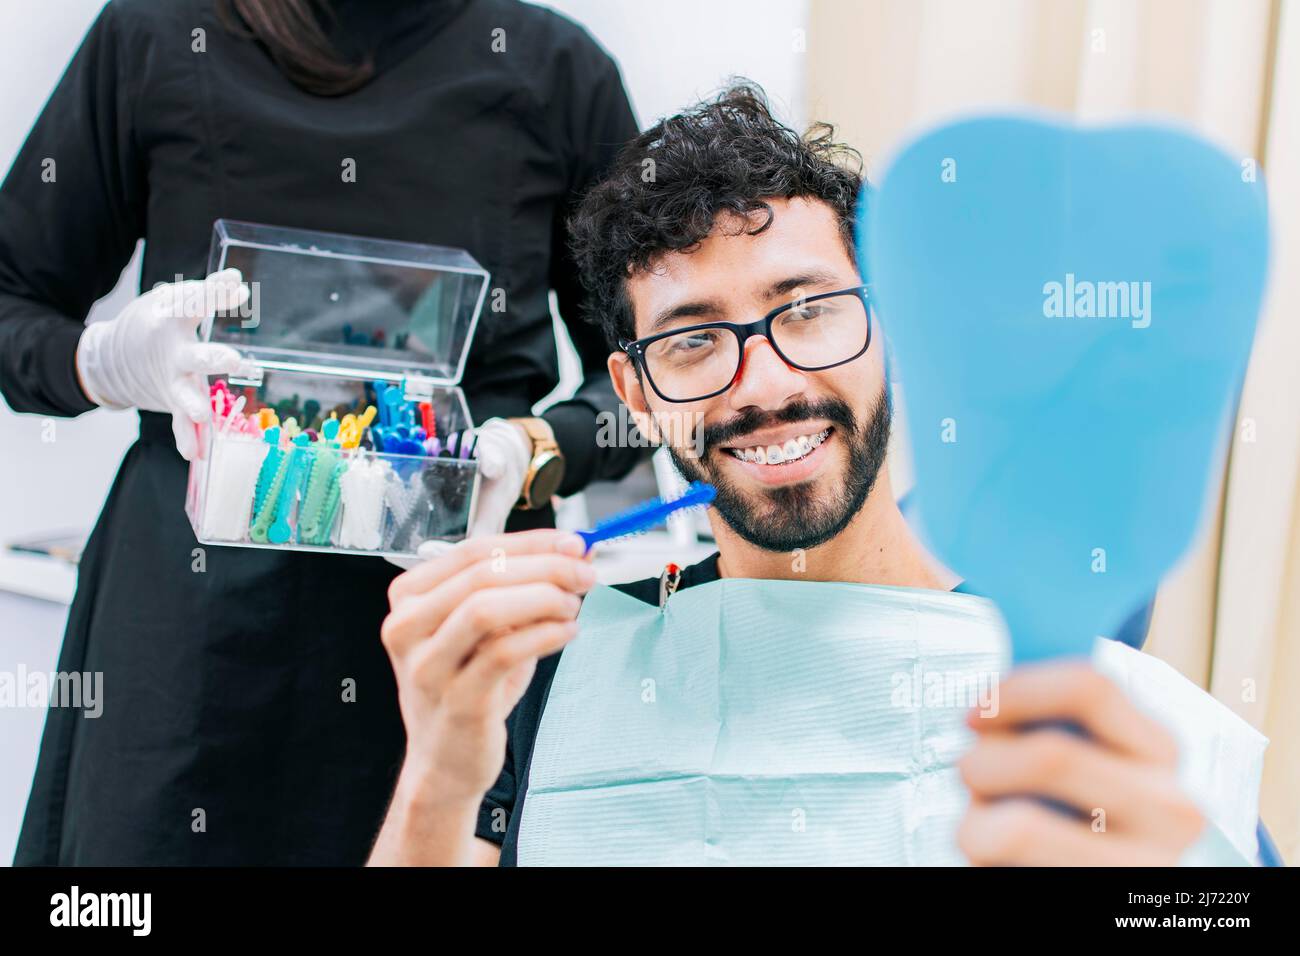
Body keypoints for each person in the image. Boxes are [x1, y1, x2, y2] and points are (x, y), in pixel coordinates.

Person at [368, 84, 1265, 866]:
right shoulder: (553, 681)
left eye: (809, 312)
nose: (766, 386)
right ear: (635, 395)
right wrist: (439, 775)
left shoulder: (1075, 700)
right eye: (692, 340)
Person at [0, 0, 642, 865]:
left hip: (456, 619)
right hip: (190, 637)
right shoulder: (154, 34)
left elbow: (654, 371)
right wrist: (102, 361)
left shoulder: (557, 70)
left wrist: (538, 449)